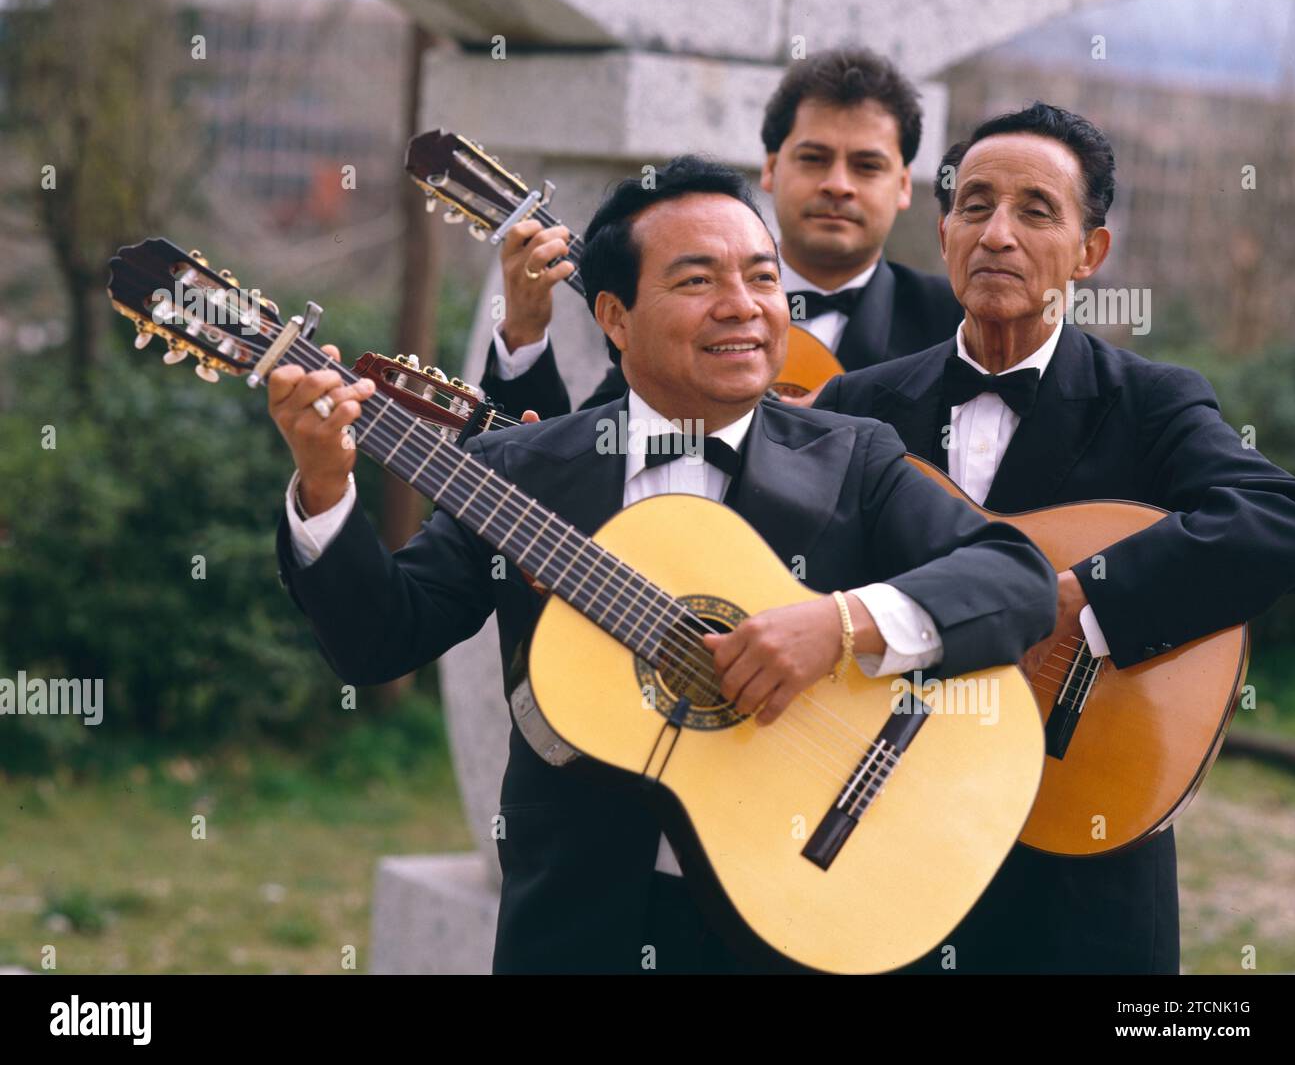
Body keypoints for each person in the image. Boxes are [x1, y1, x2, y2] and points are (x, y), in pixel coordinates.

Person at [270, 155, 1057, 973]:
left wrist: (840, 624)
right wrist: (324, 487)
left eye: (762, 277)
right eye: (697, 281)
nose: (743, 305)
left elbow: (1017, 578)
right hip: (579, 929)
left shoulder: (853, 456)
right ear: (614, 316)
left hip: (801, 913)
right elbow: (380, 641)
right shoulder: (521, 471)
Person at [814, 101, 1295, 974]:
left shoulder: (1150, 401)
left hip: (1080, 859)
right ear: (944, 231)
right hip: (892, 835)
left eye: (1036, 211)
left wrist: (1077, 597)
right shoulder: (857, 404)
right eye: (974, 206)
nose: (997, 233)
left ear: (1090, 252)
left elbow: (1276, 517)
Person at [478, 47, 963, 419]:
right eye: (814, 158)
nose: (838, 184)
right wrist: (524, 334)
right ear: (770, 168)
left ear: (904, 184)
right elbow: (554, 468)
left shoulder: (956, 321)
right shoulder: (676, 323)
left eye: (867, 165)